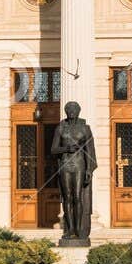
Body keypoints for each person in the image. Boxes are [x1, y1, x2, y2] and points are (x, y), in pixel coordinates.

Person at [50, 101, 96, 242]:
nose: (71, 111)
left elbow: (90, 151)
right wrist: (65, 149)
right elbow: (53, 149)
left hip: (79, 165)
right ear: (66, 112)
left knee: (77, 197)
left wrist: (89, 169)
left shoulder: (85, 128)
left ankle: (79, 229)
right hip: (65, 165)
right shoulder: (60, 128)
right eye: (69, 109)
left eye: (74, 109)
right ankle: (69, 230)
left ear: (78, 111)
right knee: (67, 198)